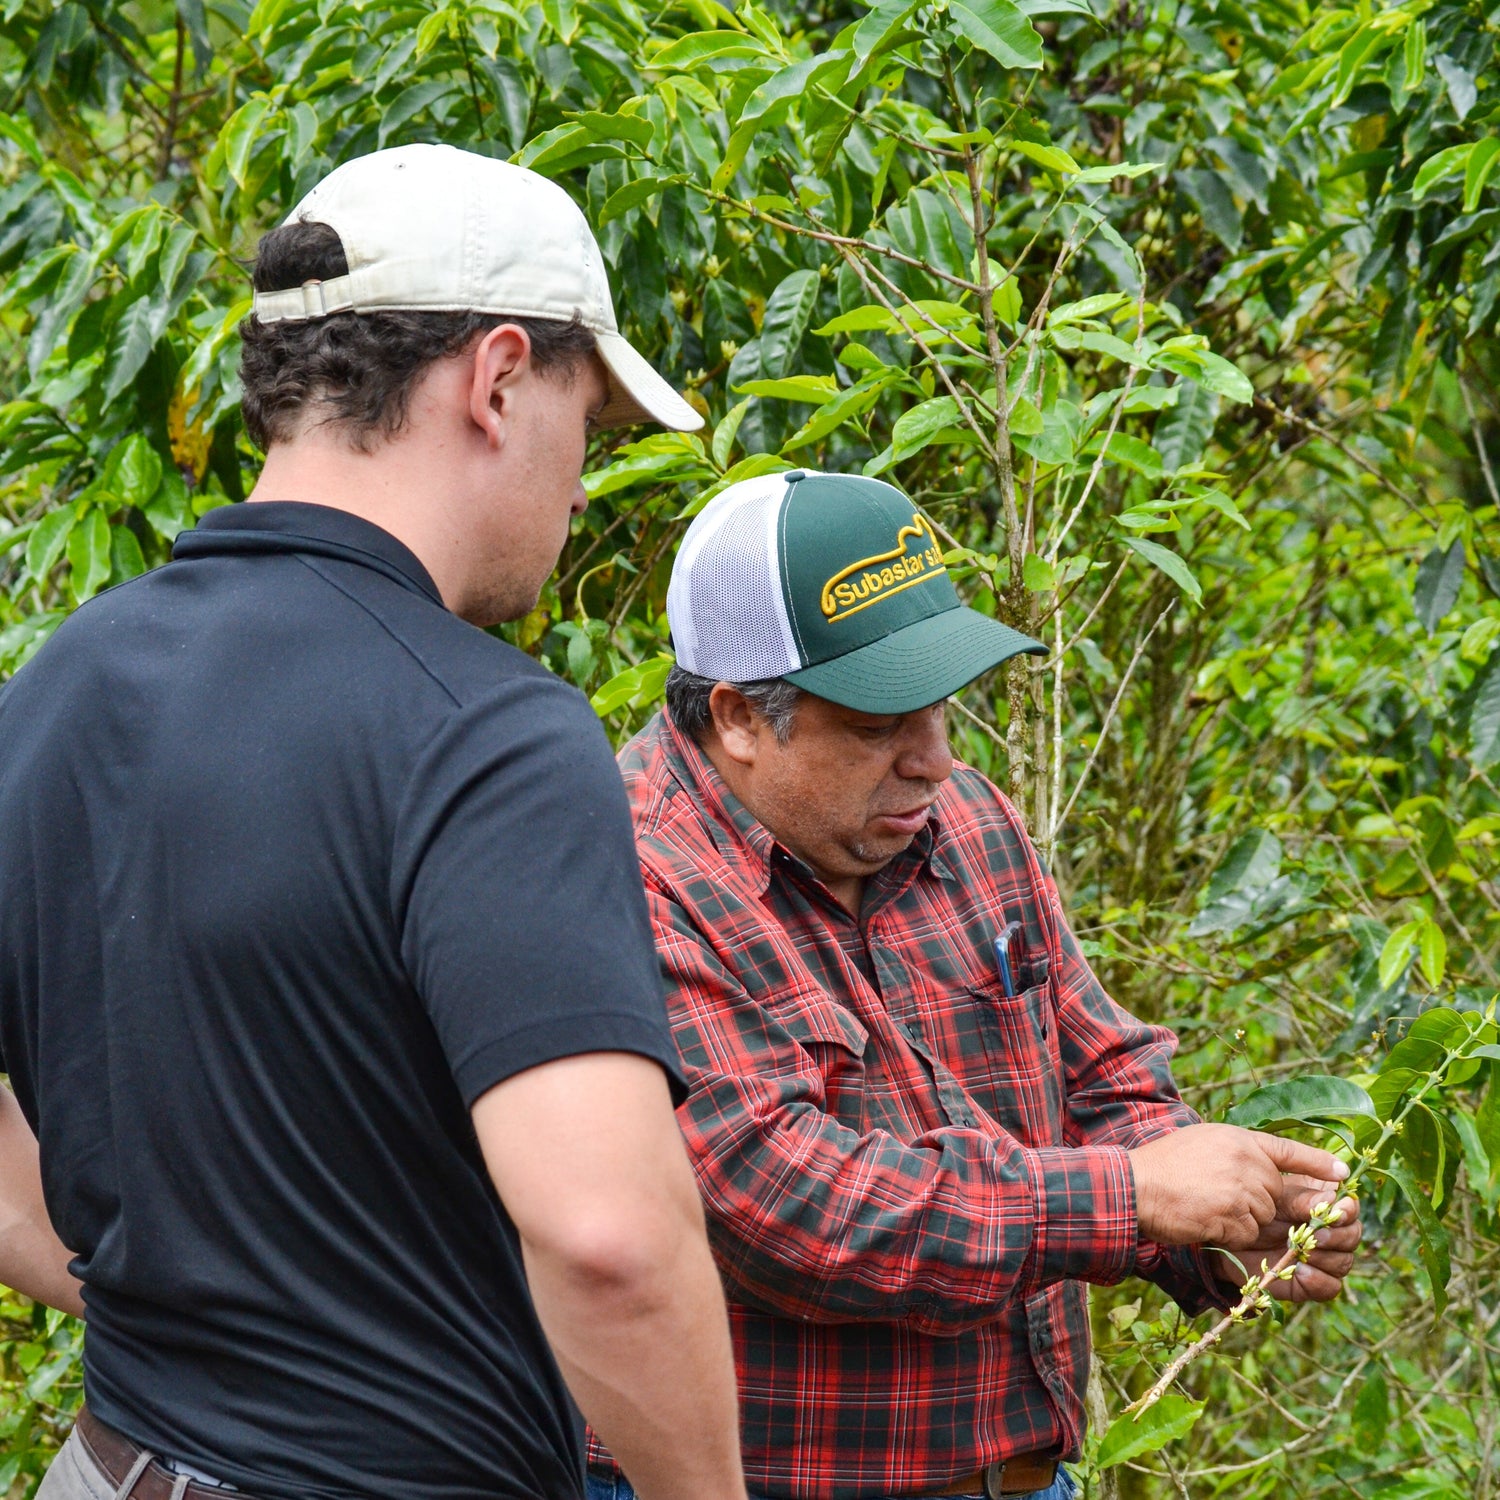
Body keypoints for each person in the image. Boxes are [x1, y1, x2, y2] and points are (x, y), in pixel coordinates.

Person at [0, 143, 746, 1500]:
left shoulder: (57, 686)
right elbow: (607, 1238)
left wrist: (220, 1313)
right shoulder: (484, 731)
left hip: (110, 1470)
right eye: (591, 427)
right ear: (501, 377)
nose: (584, 487)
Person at [587, 468, 1363, 1500]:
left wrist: (1225, 1232)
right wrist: (1132, 1199)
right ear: (736, 717)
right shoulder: (629, 876)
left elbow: (1099, 1072)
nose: (934, 761)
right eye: (878, 726)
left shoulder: (967, 823)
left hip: (1021, 1477)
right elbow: (783, 1202)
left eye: (943, 710)